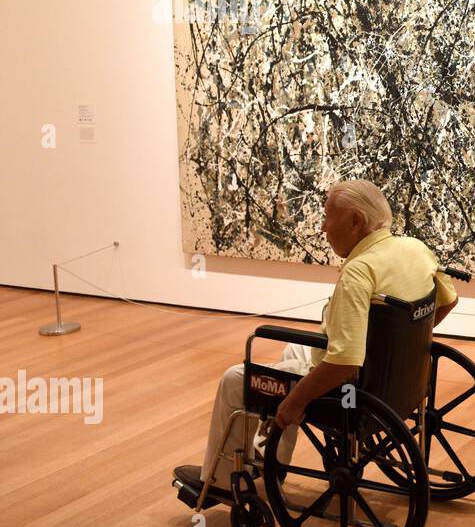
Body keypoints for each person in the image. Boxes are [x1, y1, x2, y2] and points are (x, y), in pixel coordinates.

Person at [173, 179, 458, 507]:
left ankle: (221, 481)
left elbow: (345, 361)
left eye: (327, 217)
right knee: (294, 349)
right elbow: (448, 300)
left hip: (350, 391)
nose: (323, 227)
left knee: (236, 379)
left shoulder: (360, 271)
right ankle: (271, 461)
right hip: (399, 381)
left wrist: (295, 401)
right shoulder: (414, 248)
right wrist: (405, 344)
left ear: (355, 221)